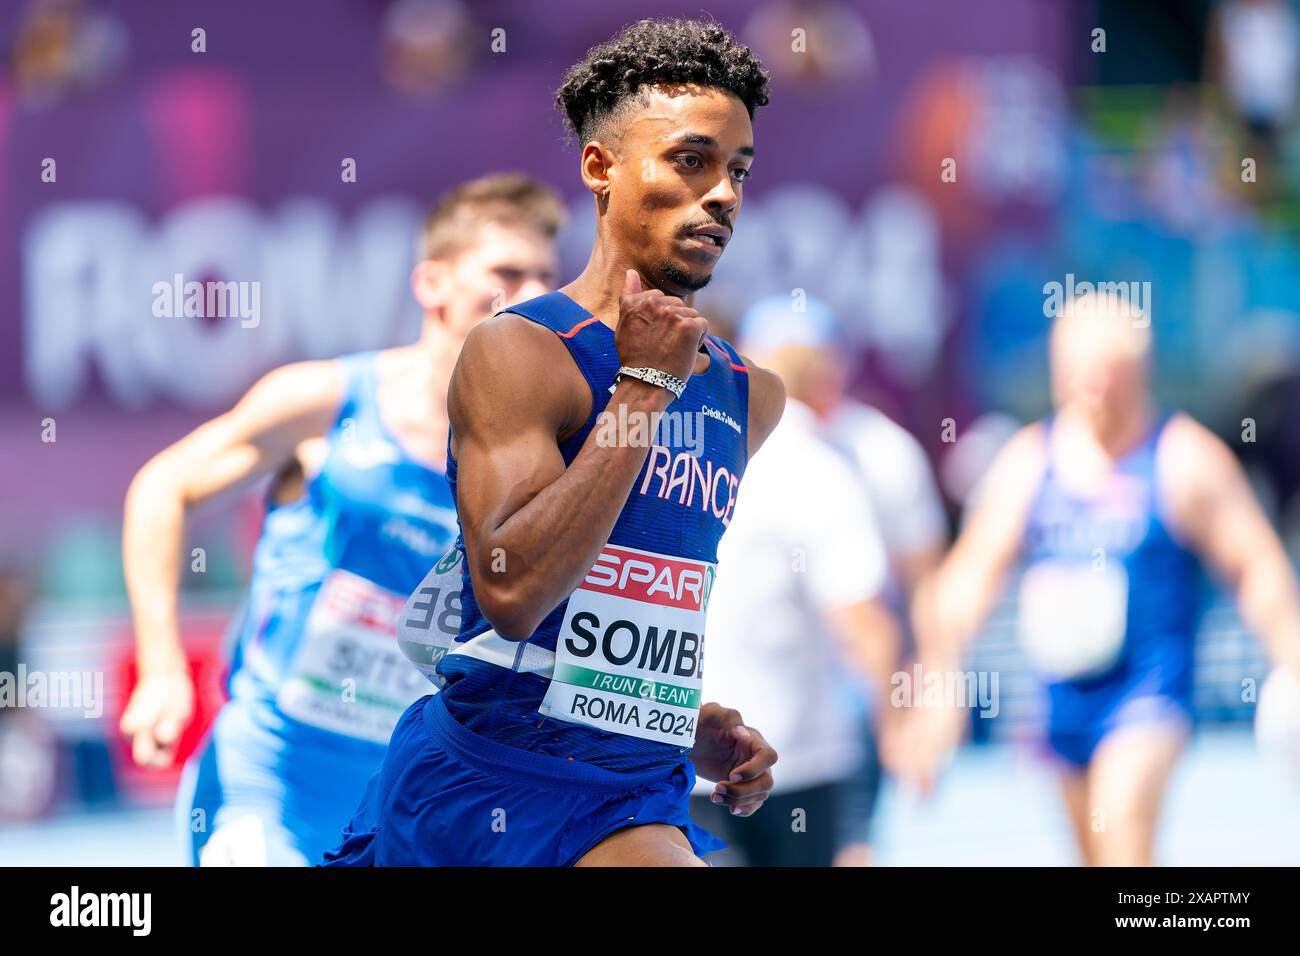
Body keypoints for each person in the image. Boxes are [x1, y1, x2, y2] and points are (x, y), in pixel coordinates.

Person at [325, 16, 786, 868]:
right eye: (691, 161)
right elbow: (513, 592)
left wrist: (678, 723)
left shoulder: (753, 394)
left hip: (630, 792)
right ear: (600, 168)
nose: (722, 194)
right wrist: (644, 388)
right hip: (487, 785)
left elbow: (620, 609)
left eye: (738, 171)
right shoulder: (522, 350)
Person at [119, 174, 565, 865]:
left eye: (546, 274)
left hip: (409, 811)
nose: (535, 292)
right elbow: (162, 487)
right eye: (507, 271)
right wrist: (160, 664)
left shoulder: (536, 459)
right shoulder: (325, 401)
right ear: (433, 284)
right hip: (265, 791)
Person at [909, 289, 1300, 866]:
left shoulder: (1183, 458)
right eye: (1078, 375)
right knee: (1094, 856)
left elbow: (1256, 566)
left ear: (1138, 374)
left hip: (1148, 694)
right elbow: (964, 583)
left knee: (1122, 832)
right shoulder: (1029, 461)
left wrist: (1291, 658)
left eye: (1107, 377)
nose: (1092, 392)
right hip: (1060, 699)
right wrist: (937, 691)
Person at [688, 300, 900, 867]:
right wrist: (894, 731)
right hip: (793, 763)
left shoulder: (657, 453)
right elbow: (863, 621)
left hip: (689, 753)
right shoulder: (816, 466)